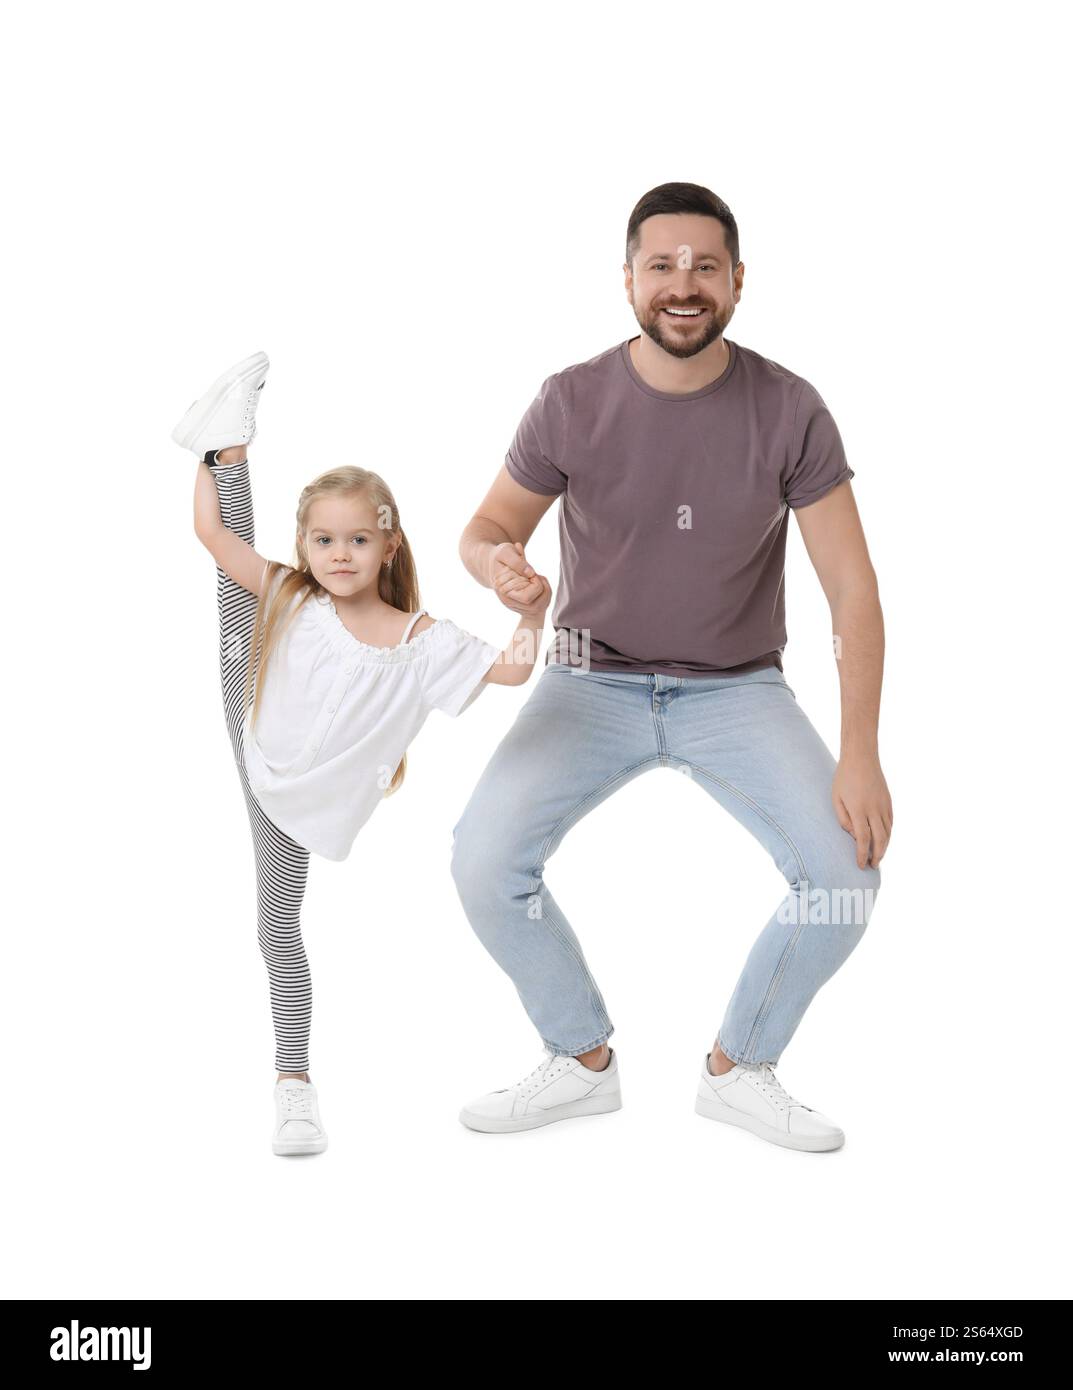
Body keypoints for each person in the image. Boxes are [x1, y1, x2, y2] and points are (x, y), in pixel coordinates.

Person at [451, 182, 892, 1152]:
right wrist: (501, 567)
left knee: (841, 877)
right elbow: (484, 529)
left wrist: (858, 750)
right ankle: (579, 1059)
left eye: (704, 267)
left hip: (735, 688)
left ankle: (739, 1066)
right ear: (626, 282)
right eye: (661, 266)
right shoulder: (569, 400)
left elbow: (851, 594)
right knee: (482, 863)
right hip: (586, 679)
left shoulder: (790, 409)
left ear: (736, 282)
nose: (681, 286)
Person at [173, 352, 551, 1157]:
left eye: (354, 539)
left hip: (302, 780)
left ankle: (222, 444)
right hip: (255, 694)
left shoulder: (423, 643)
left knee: (280, 922)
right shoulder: (293, 591)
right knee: (278, 922)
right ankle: (294, 1087)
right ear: (305, 545)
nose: (337, 553)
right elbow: (210, 534)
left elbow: (516, 669)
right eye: (320, 538)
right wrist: (209, 467)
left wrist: (534, 606)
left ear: (386, 546)